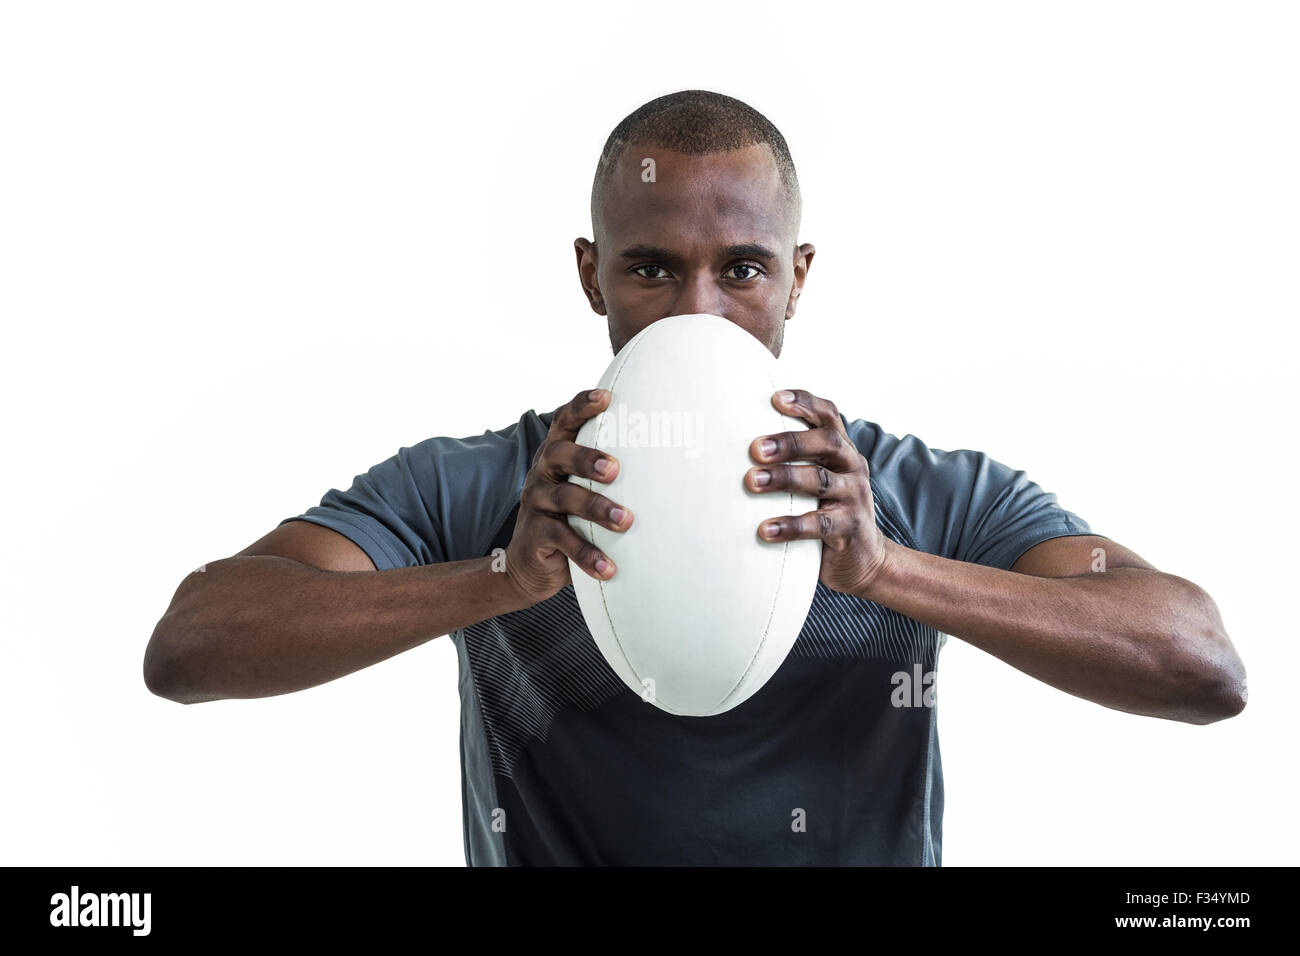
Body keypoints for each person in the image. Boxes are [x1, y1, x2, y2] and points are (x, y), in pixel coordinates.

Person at [144, 90, 1247, 866]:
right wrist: (497, 577)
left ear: (798, 278)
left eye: (745, 269)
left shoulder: (914, 491)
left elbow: (1199, 662)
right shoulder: (488, 486)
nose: (698, 312)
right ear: (592, 273)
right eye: (652, 268)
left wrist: (892, 569)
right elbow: (195, 642)